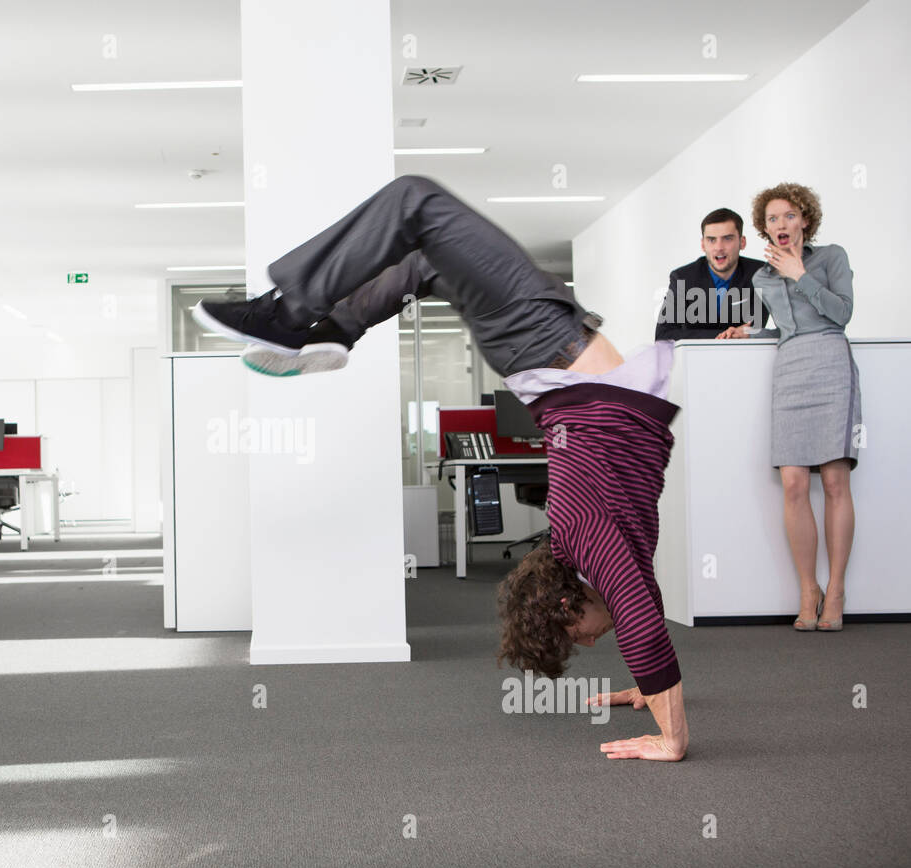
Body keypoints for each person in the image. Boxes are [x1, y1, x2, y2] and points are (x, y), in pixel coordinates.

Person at [193, 175, 687, 762]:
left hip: (542, 345)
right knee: (420, 228)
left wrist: (657, 698)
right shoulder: (593, 544)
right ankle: (316, 322)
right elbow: (642, 614)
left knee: (420, 215)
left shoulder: (589, 541)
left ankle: (309, 320)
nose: (585, 640)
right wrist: (669, 729)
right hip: (543, 342)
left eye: (571, 638)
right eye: (573, 637)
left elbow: (640, 616)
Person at [721, 183, 858, 632]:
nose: (781, 225)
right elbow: (785, 329)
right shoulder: (763, 276)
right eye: (773, 219)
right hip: (792, 369)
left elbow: (840, 314)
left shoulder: (830, 257)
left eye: (789, 216)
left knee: (836, 481)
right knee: (794, 485)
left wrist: (801, 273)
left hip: (831, 363)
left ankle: (836, 590)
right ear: (765, 227)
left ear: (805, 220)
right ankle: (808, 589)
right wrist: (749, 332)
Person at [654, 207, 769, 340]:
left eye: (727, 238)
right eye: (711, 240)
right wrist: (725, 335)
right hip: (697, 358)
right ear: (703, 245)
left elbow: (757, 328)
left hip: (744, 356)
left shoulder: (760, 273)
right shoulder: (682, 277)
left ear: (742, 242)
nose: (719, 247)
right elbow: (663, 336)